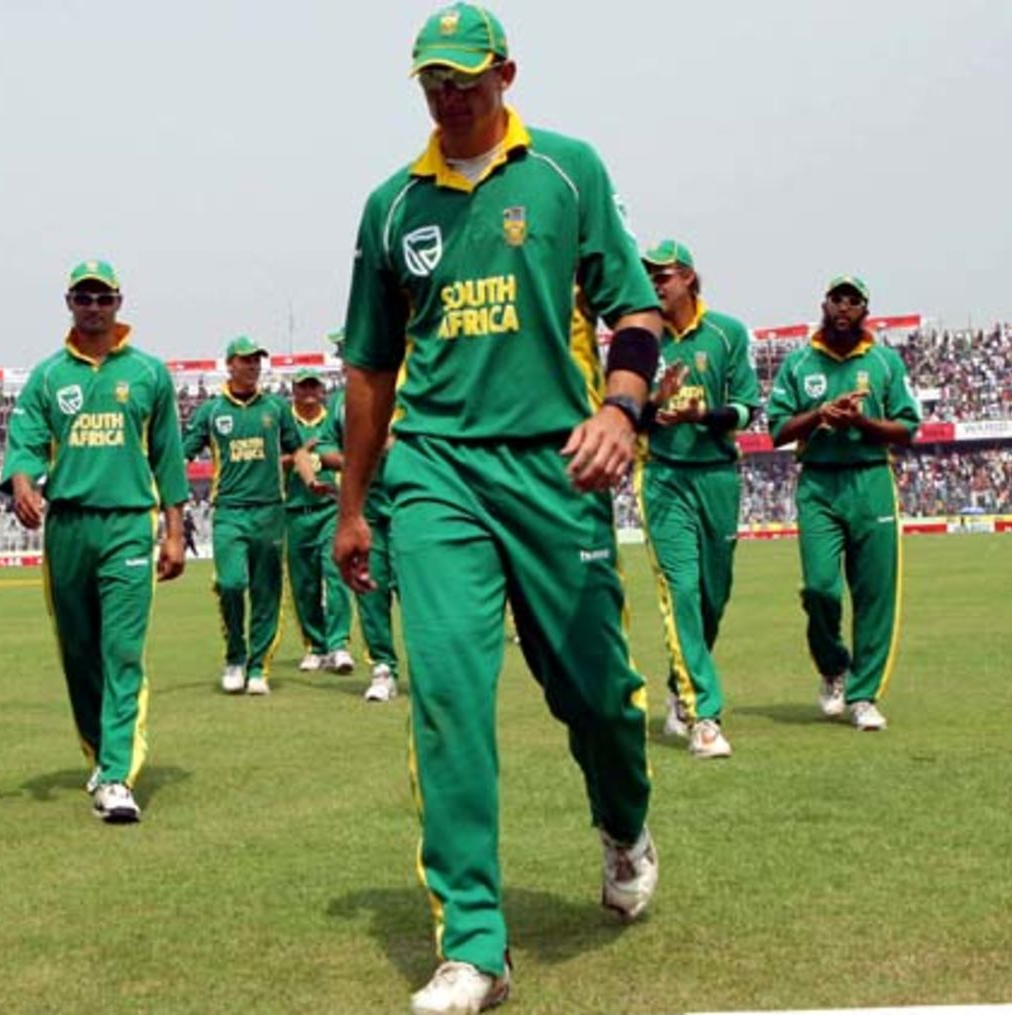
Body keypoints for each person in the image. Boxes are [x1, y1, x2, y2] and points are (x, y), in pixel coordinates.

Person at [332, 6, 664, 1011]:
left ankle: (622, 822)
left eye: (468, 77)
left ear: (508, 74)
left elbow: (637, 311)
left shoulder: (568, 172)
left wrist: (619, 407)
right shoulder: (392, 207)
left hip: (556, 470)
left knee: (596, 693)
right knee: (446, 695)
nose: (451, 94)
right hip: (434, 472)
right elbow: (369, 370)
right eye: (433, 79)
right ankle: (474, 944)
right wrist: (354, 505)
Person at [1, 259, 189, 823]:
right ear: (69, 303)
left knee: (122, 651)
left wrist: (174, 533)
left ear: (119, 302)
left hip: (129, 523)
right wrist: (21, 483)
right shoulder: (48, 376)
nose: (93, 306)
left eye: (103, 297)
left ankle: (116, 776)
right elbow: (26, 440)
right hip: (68, 528)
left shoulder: (150, 374)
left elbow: (169, 460)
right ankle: (98, 752)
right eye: (83, 297)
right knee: (80, 653)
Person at [766, 275, 921, 731]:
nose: (844, 308)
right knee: (820, 589)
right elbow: (777, 430)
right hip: (818, 484)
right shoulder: (797, 363)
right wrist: (820, 415)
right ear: (824, 304)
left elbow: (907, 429)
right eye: (837, 299)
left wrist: (861, 421)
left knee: (875, 594)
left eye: (853, 302)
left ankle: (863, 696)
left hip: (871, 479)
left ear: (865, 311)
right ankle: (833, 667)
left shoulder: (885, 362)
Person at [637, 240, 760, 759]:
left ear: (688, 277)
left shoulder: (727, 333)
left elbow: (749, 409)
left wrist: (701, 416)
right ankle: (704, 717)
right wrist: (654, 404)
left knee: (713, 597)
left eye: (663, 276)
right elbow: (621, 415)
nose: (655, 286)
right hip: (664, 477)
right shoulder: (638, 340)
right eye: (649, 277)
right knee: (682, 591)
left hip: (717, 477)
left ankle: (678, 683)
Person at [183, 336, 301, 696]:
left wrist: (312, 479)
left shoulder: (277, 408)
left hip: (270, 511)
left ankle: (257, 667)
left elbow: (297, 451)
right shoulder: (212, 411)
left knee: (267, 591)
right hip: (229, 512)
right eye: (245, 360)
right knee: (232, 583)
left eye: (257, 361)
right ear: (229, 364)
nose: (253, 367)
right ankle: (235, 655)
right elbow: (182, 455)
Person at [319, 332, 401, 703]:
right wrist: (361, 456)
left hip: (411, 504)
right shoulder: (340, 403)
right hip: (367, 510)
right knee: (371, 590)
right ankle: (383, 667)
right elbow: (322, 448)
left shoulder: (409, 389)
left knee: (420, 593)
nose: (348, 359)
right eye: (343, 354)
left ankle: (437, 669)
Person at [284, 367, 354, 675]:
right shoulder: (282, 421)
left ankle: (338, 644)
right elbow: (268, 461)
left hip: (331, 510)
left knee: (336, 575)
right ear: (294, 390)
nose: (309, 391)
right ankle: (316, 645)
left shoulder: (334, 419)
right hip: (295, 512)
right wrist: (298, 455)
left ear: (323, 390)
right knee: (305, 584)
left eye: (314, 385)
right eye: (303, 386)